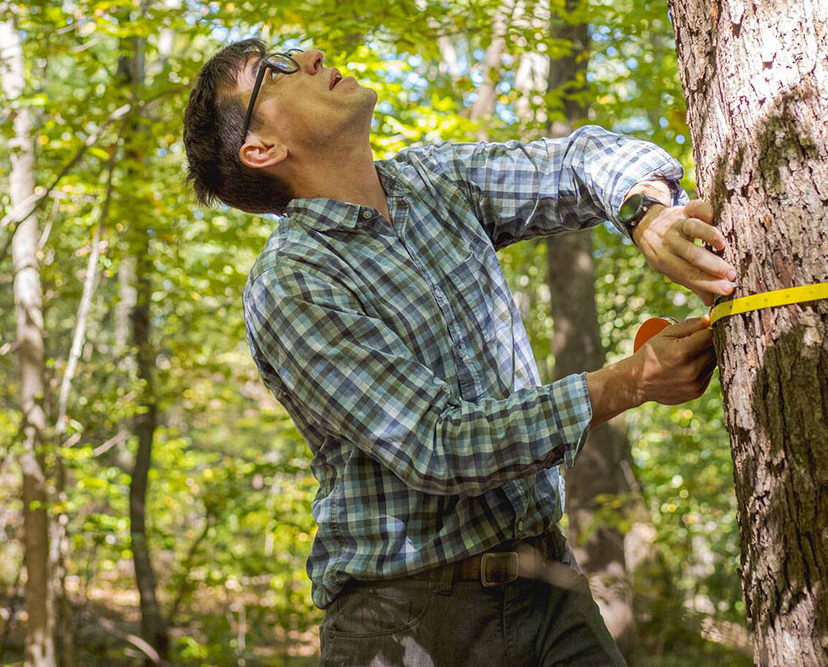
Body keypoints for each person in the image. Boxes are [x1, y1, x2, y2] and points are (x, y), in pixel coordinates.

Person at [181, 40, 738, 667]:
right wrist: (629, 382)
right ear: (262, 150)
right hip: (407, 620)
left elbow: (579, 160)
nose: (309, 55)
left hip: (548, 582)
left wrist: (646, 214)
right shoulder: (294, 280)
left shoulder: (433, 181)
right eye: (275, 71)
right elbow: (438, 446)